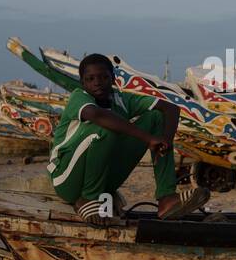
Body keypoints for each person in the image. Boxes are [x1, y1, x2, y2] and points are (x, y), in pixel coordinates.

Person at [47, 53, 208, 224]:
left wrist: (165, 141)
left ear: (113, 78)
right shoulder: (79, 97)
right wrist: (148, 138)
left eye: (104, 77)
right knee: (104, 129)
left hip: (104, 180)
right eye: (90, 78)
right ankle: (88, 199)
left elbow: (170, 109)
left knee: (156, 117)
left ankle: (166, 197)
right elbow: (96, 114)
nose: (97, 82)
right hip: (66, 179)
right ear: (82, 82)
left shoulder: (121, 99)